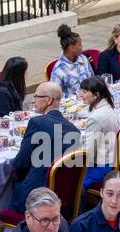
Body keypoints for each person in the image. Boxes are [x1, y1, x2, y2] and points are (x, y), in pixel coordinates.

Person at [7, 82, 81, 213]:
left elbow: (20, 163)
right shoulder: (74, 130)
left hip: (36, 198)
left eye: (36, 96)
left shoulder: (37, 122)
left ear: (48, 100)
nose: (33, 100)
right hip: (65, 196)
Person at [77, 76, 120, 187]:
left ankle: (78, 202)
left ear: (96, 95)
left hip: (102, 166)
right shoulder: (109, 106)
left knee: (69, 178)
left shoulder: (96, 117)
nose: (81, 95)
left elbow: (88, 154)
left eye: (85, 92)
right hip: (112, 157)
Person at [49, 24, 94, 97]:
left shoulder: (84, 59)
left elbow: (93, 80)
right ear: (72, 48)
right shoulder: (58, 70)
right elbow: (54, 96)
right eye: (79, 45)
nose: (82, 47)